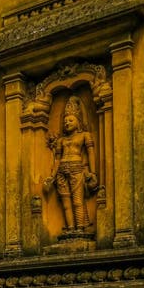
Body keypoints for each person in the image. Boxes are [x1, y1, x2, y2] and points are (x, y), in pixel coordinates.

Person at [44, 95, 98, 232]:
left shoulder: (84, 135)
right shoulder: (61, 140)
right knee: (66, 203)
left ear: (78, 121)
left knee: (77, 200)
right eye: (65, 121)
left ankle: (80, 229)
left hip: (77, 169)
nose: (67, 123)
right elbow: (57, 159)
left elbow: (90, 153)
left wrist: (93, 172)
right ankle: (70, 228)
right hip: (61, 170)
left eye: (70, 120)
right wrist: (52, 175)